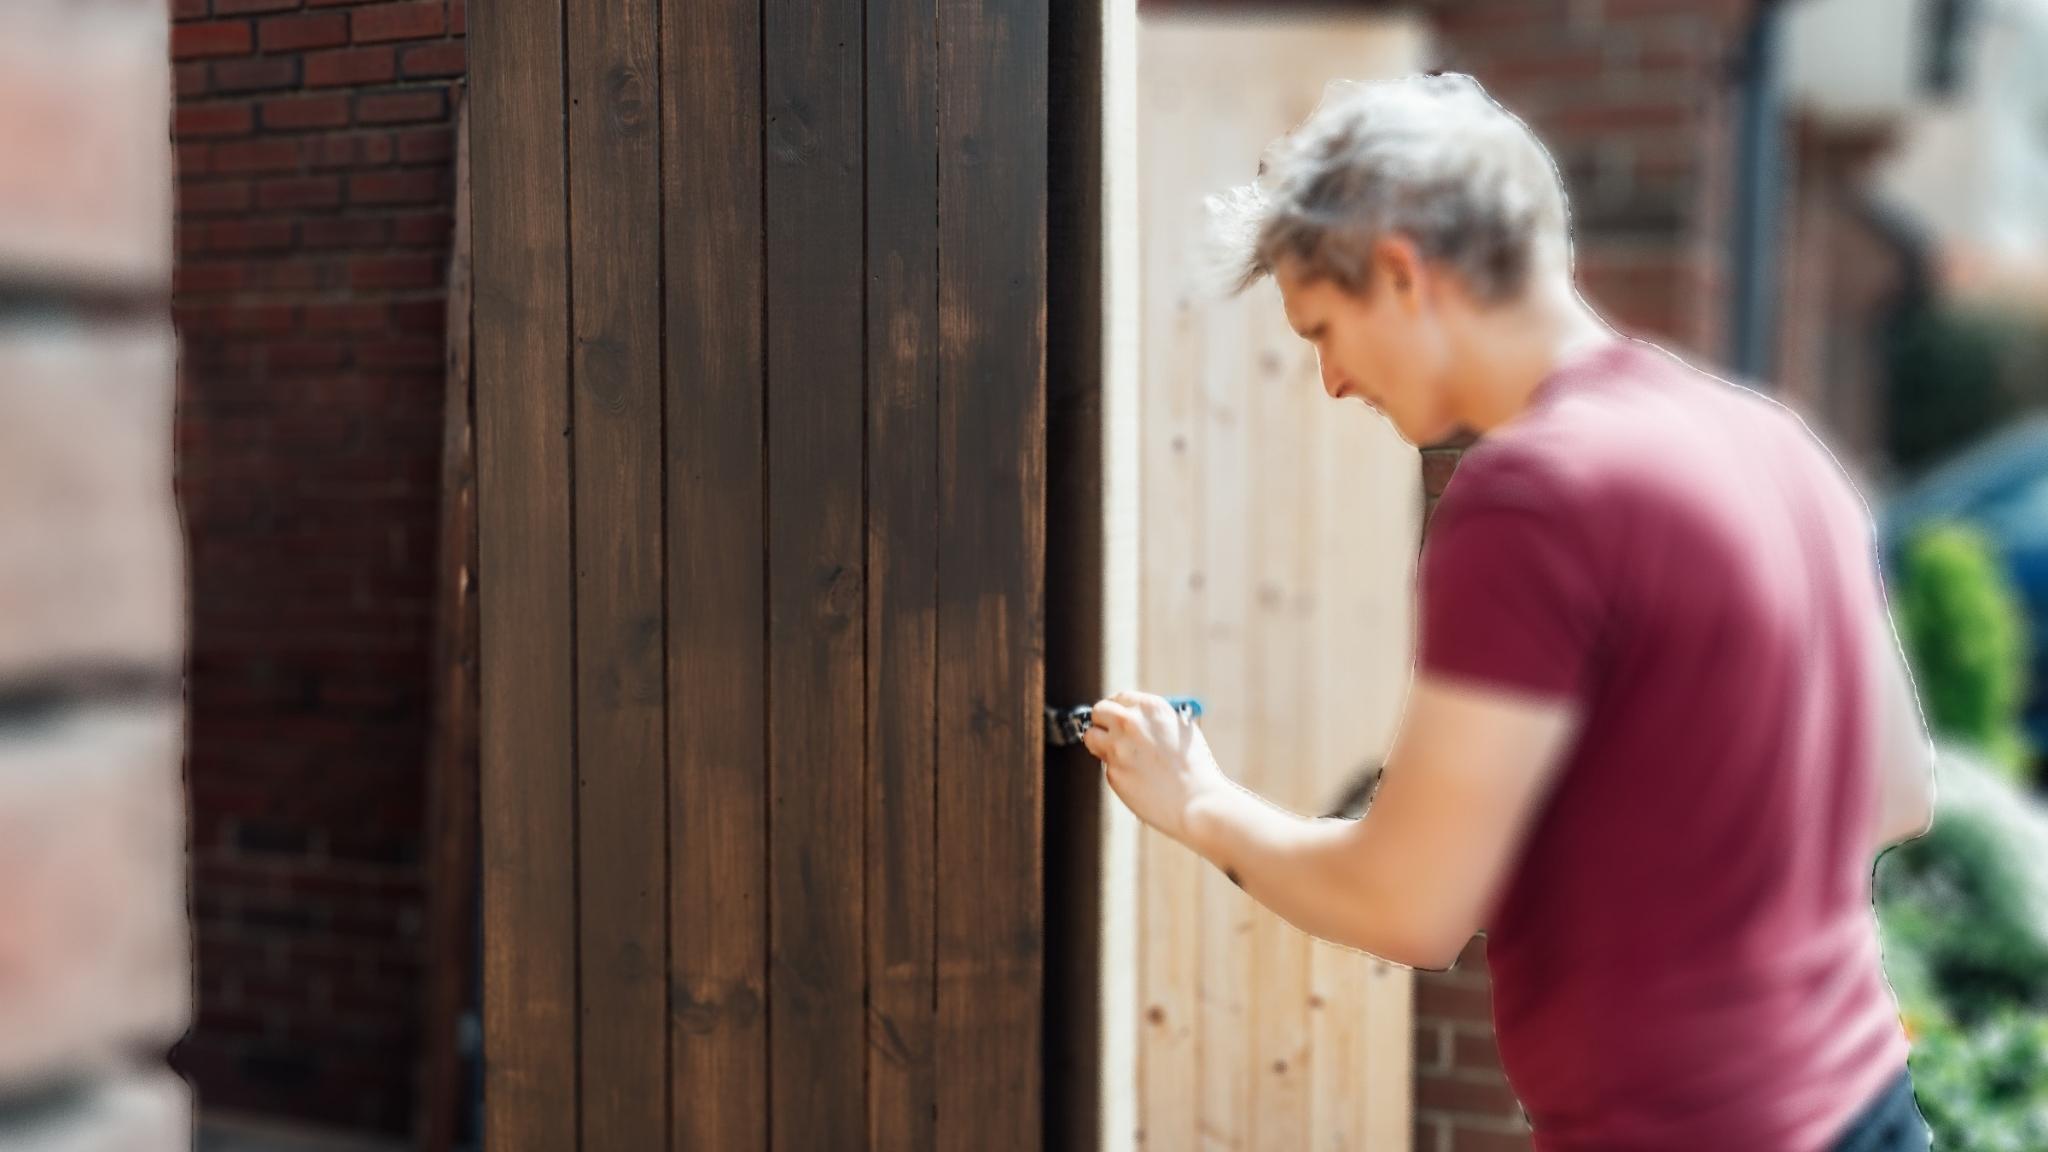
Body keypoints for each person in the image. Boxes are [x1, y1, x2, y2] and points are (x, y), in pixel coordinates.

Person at [1083, 73, 1938, 1152]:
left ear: (1401, 273)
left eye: (1323, 329)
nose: (1331, 380)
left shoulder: (1535, 494)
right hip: (1871, 1112)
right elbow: (1896, 792)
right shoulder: (1775, 444)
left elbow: (1408, 906)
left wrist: (1197, 801)